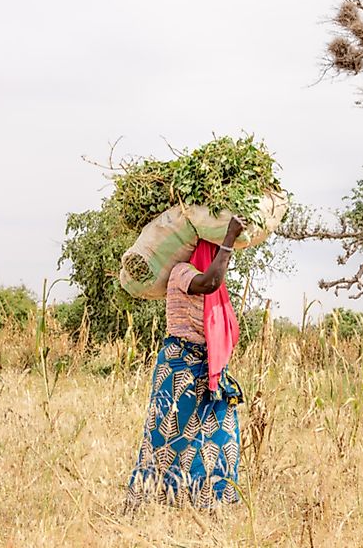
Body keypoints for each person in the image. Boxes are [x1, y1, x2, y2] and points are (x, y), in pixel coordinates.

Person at [124, 216, 246, 512]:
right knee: (166, 436)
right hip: (180, 365)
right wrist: (229, 238)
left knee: (223, 435)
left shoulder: (205, 274)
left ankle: (211, 504)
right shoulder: (181, 272)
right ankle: (149, 502)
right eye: (213, 247)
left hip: (209, 368)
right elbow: (210, 282)